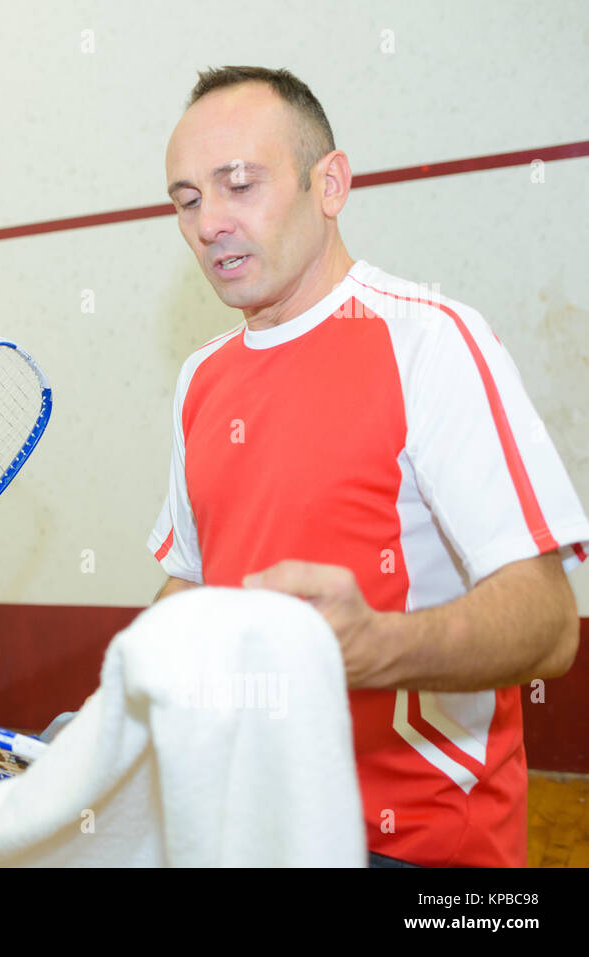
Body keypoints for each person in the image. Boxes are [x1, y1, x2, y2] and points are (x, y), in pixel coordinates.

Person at [147, 67, 588, 867]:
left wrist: (372, 646)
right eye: (186, 199)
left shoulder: (432, 342)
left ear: (331, 183)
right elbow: (191, 580)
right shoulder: (200, 378)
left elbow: (552, 623)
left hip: (425, 848)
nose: (210, 221)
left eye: (238, 184)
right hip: (249, 827)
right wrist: (129, 689)